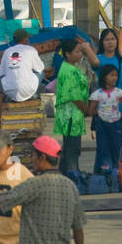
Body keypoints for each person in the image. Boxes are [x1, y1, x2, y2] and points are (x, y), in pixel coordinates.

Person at [53, 38, 91, 175]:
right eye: (77, 52)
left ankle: (65, 173)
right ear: (67, 54)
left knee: (69, 148)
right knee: (73, 149)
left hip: (70, 114)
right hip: (71, 114)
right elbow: (75, 96)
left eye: (80, 52)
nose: (80, 54)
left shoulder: (69, 68)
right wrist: (86, 110)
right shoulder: (69, 71)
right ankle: (73, 175)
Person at [82, 28, 122, 123]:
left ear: (116, 41)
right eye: (107, 40)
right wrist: (86, 46)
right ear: (102, 42)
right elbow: (94, 62)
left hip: (121, 111)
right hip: (103, 111)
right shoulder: (99, 59)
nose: (110, 42)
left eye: (112, 39)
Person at [89, 64, 122, 175]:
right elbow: (91, 110)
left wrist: (118, 114)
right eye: (111, 75)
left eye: (116, 75)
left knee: (116, 149)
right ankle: (106, 172)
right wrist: (102, 113)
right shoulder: (96, 94)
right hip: (101, 125)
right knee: (103, 149)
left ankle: (116, 172)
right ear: (104, 77)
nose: (114, 78)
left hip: (116, 124)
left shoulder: (119, 92)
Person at [0, 28, 44, 103]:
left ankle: (10, 97)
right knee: (42, 73)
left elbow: (2, 74)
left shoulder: (7, 51)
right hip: (27, 89)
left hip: (9, 91)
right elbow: (40, 68)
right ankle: (32, 94)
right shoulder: (30, 49)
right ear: (25, 39)